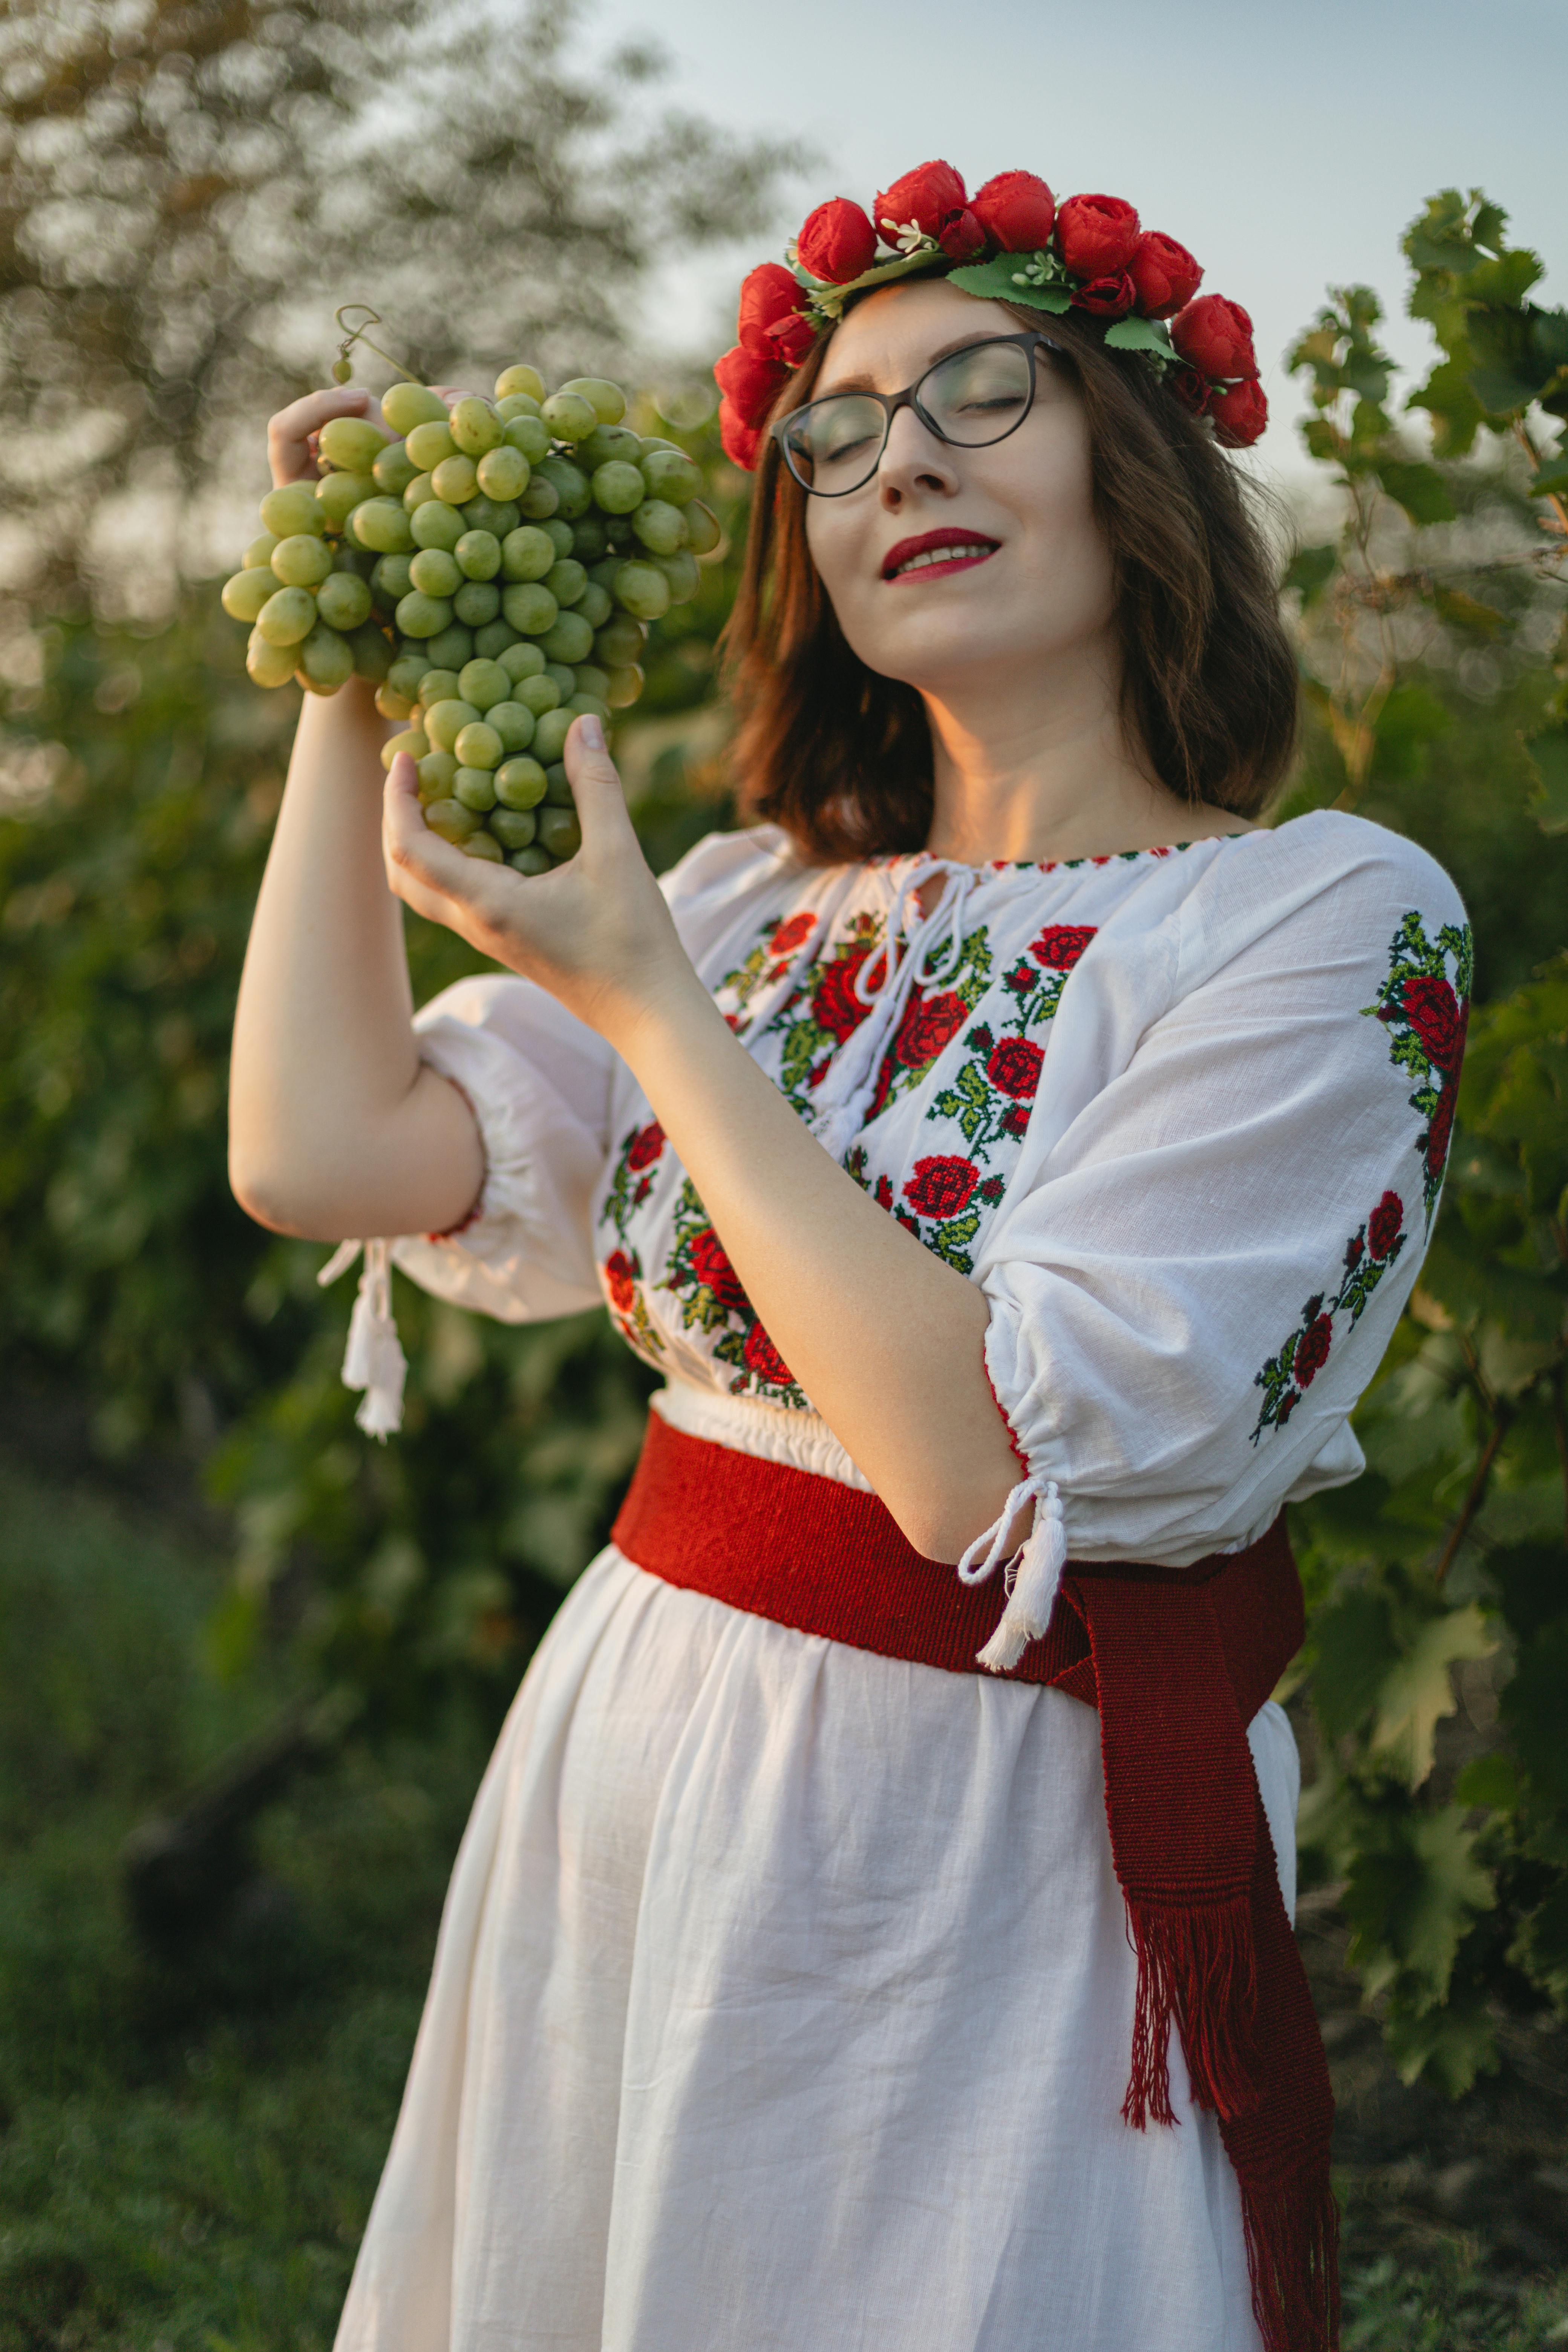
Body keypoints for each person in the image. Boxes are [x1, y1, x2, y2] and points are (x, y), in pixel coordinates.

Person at [229, 161, 1472, 2352]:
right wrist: (350, 664)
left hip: (971, 1840)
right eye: (838, 429)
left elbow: (993, 1484)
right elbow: (321, 1154)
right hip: (639, 1741)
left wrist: (649, 1020)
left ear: (1138, 451)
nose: (898, 453)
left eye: (981, 392)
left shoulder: (1312, 920)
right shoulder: (750, 904)